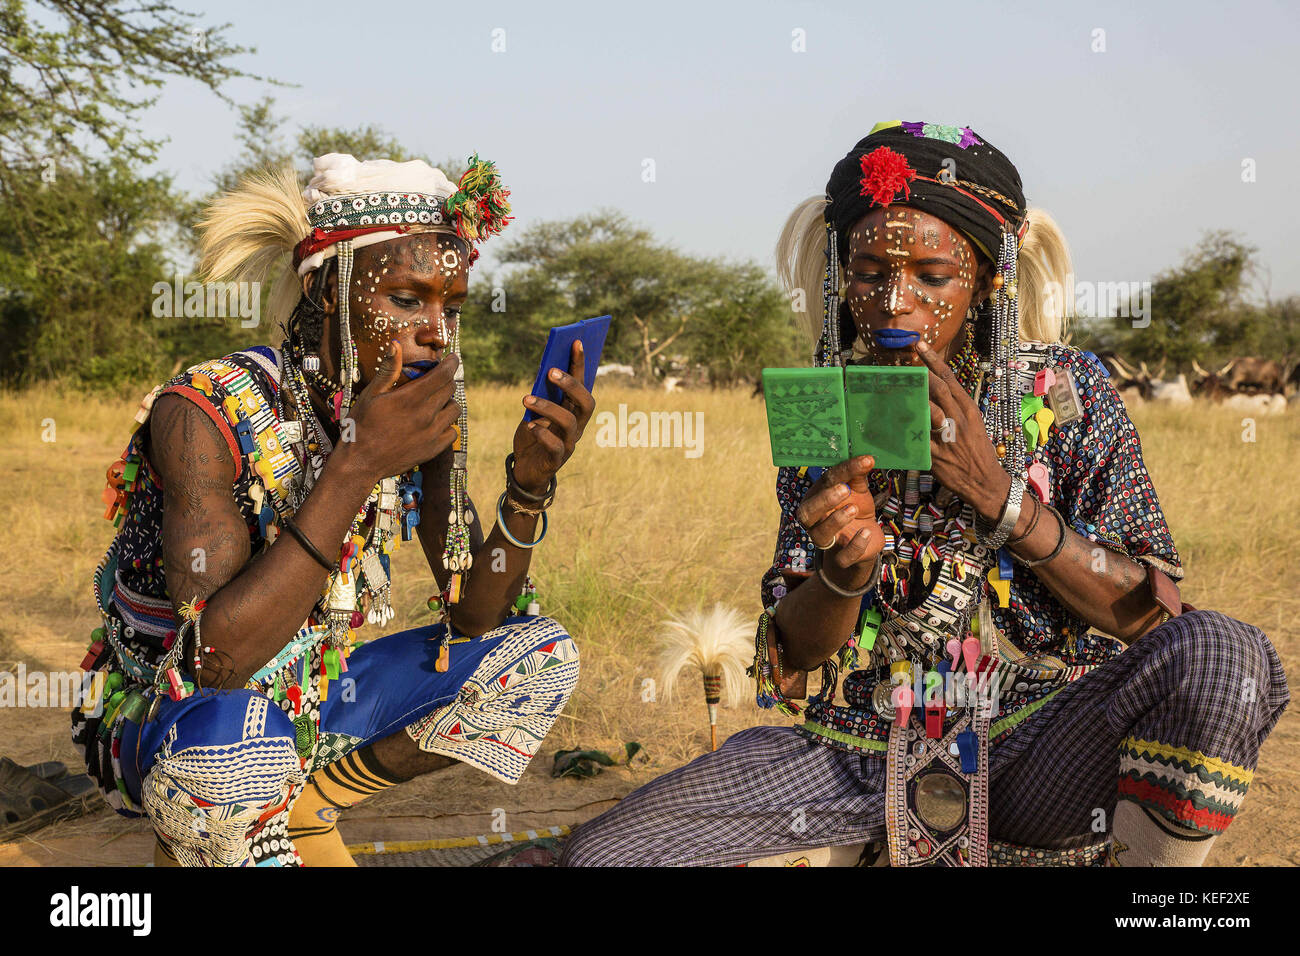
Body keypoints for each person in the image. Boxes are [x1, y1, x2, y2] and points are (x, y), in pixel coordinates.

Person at [560, 121, 1288, 867]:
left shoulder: (1068, 391)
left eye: (932, 277)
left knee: (1223, 654)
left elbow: (1148, 613)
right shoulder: (826, 403)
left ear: (986, 280)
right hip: (855, 750)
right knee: (605, 859)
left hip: (1037, 743)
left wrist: (1002, 499)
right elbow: (797, 654)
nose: (894, 301)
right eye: (870, 271)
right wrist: (845, 570)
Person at [71, 153, 591, 867]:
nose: (437, 332)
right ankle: (218, 825)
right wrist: (358, 464)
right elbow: (213, 661)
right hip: (179, 719)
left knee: (534, 654)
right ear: (327, 290)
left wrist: (529, 483)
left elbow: (474, 617)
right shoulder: (204, 409)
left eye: (451, 306)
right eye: (408, 301)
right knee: (234, 739)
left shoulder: (412, 412)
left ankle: (306, 809)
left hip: (311, 703)